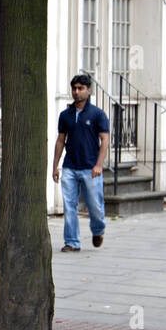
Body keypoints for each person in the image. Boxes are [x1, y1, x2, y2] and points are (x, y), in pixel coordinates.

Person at [52, 73, 109, 252]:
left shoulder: (98, 114)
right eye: (74, 88)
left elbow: (105, 140)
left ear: (88, 90)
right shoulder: (65, 115)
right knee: (69, 206)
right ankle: (72, 242)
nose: (76, 92)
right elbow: (61, 140)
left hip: (90, 168)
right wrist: (55, 165)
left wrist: (99, 164)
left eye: (80, 88)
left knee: (95, 206)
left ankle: (98, 230)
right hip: (70, 167)